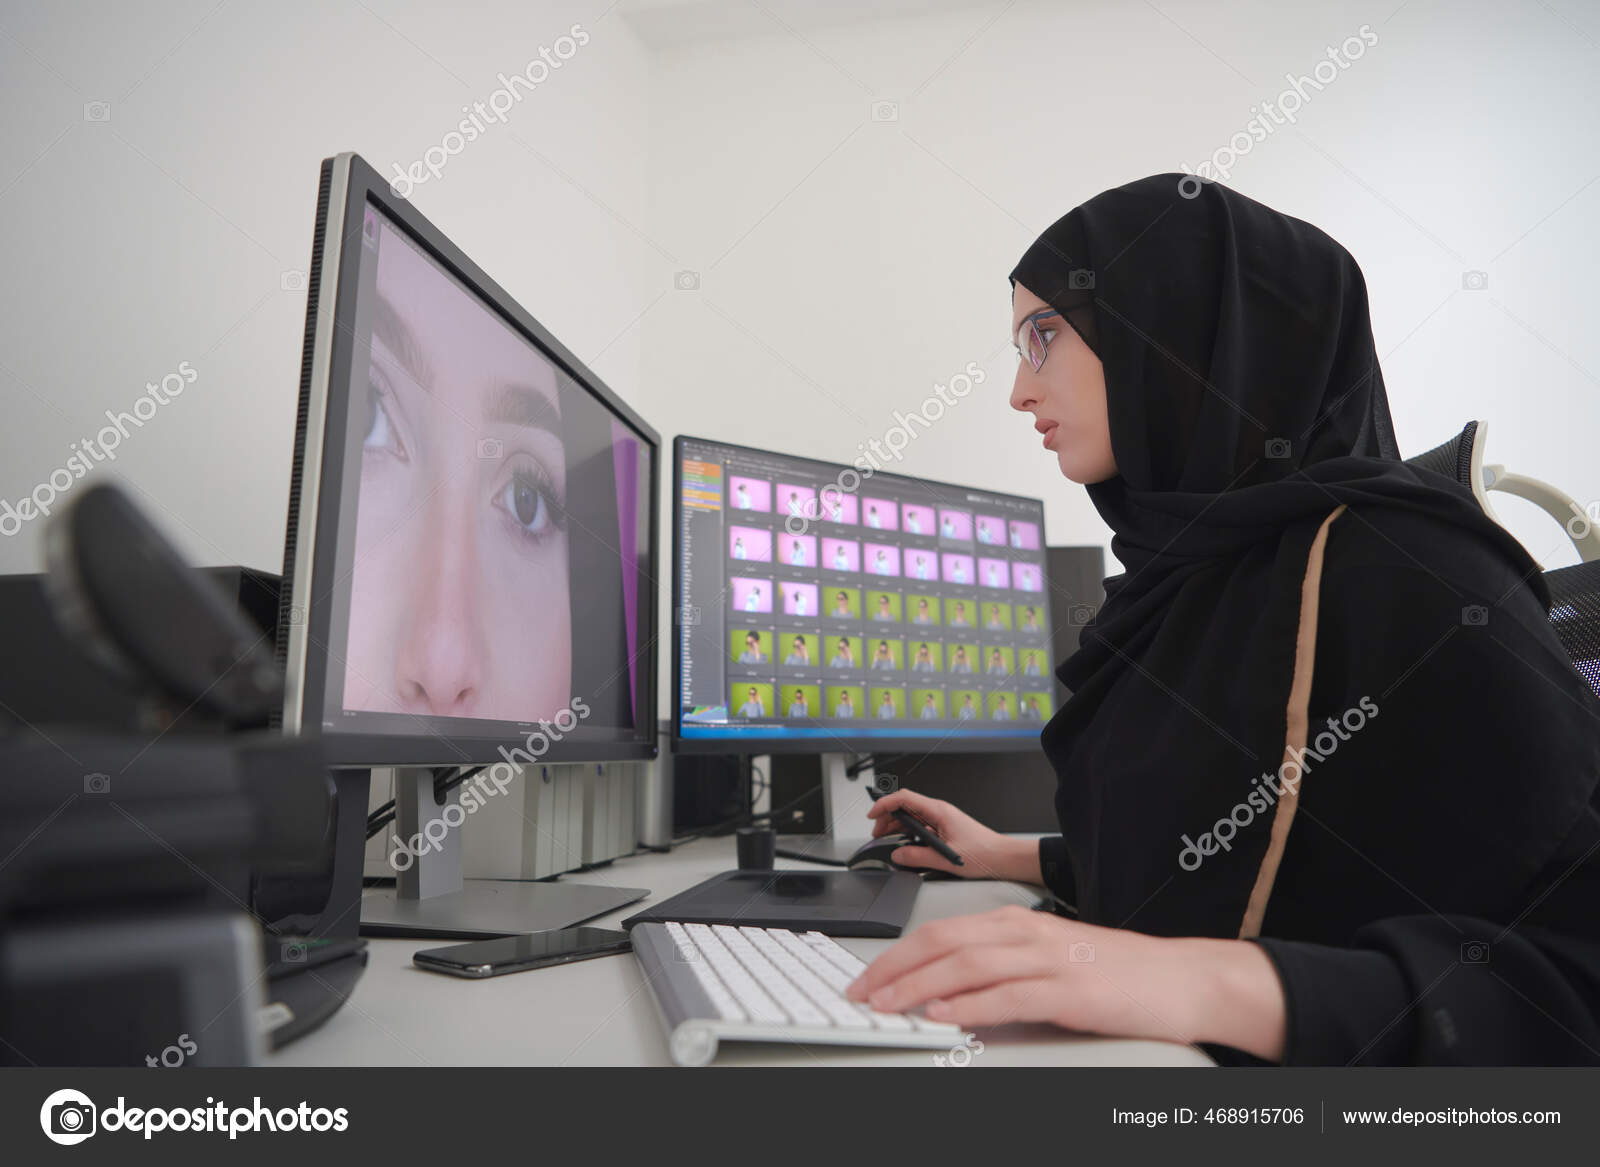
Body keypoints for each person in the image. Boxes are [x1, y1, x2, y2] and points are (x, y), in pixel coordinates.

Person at [849, 174, 1600, 1069]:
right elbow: (1236, 850)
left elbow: (1569, 975)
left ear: (1175, 330)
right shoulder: (1185, 581)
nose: (1018, 389)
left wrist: (1209, 983)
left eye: (1043, 334)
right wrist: (1013, 855)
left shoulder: (1415, 571)